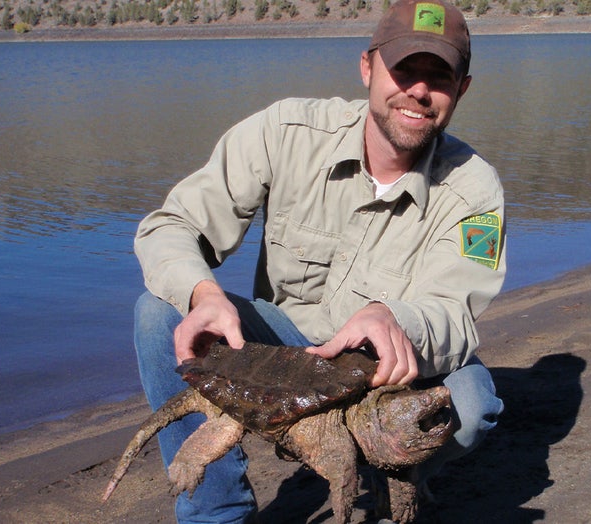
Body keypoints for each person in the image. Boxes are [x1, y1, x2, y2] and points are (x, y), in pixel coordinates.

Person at [132, 0, 506, 521]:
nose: (419, 91)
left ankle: (387, 468)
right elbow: (170, 226)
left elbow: (456, 312)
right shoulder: (285, 131)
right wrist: (204, 294)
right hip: (285, 353)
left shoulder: (474, 190)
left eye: (439, 77)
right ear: (368, 67)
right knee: (158, 312)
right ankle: (217, 514)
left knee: (470, 408)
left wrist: (395, 318)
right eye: (404, 70)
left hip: (381, 372)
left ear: (461, 89)